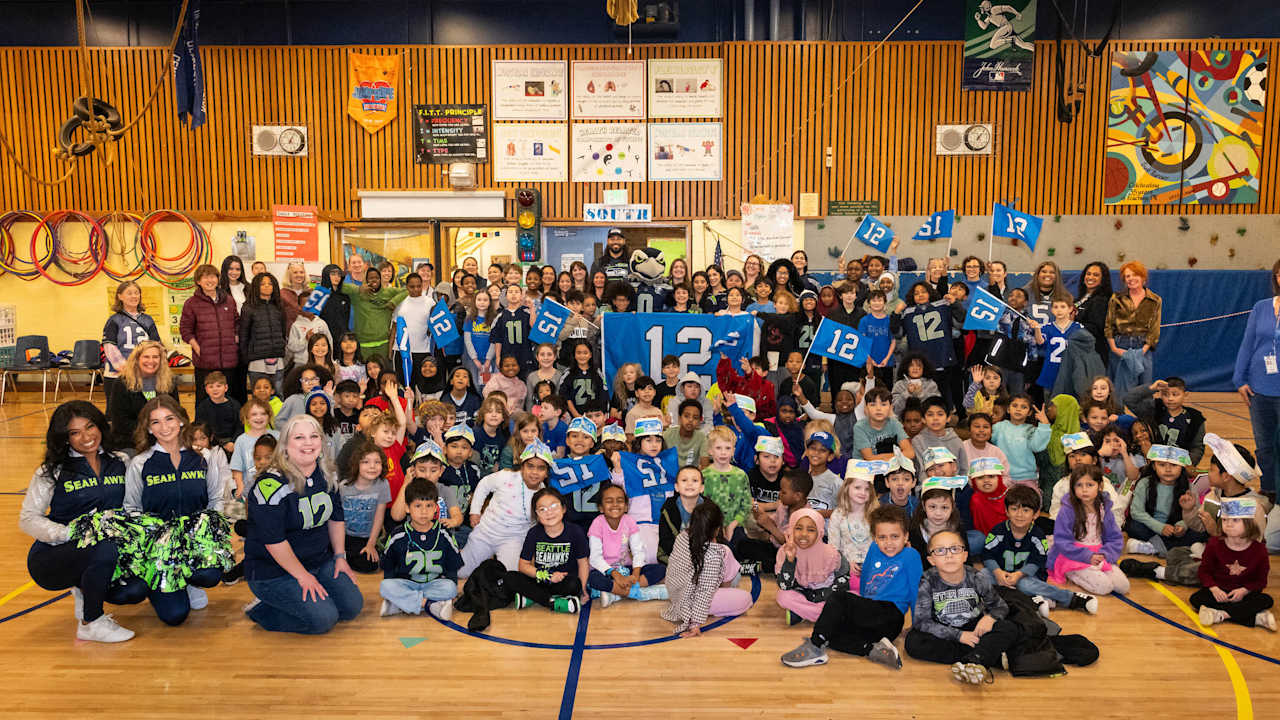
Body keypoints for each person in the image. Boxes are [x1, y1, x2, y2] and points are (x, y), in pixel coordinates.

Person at [20, 401, 148, 642]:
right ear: (65, 438)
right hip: (55, 556)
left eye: (90, 427)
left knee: (135, 590)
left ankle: (83, 587)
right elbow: (28, 519)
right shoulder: (52, 471)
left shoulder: (120, 461)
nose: (86, 437)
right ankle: (91, 622)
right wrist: (70, 533)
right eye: (75, 432)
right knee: (103, 547)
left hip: (107, 551)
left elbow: (134, 506)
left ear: (100, 426)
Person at [243, 415, 365, 634]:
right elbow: (273, 540)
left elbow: (336, 517)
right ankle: (262, 609)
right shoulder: (270, 484)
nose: (308, 443)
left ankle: (304, 598)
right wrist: (302, 576)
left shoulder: (327, 473)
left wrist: (340, 557)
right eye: (299, 437)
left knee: (352, 607)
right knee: (324, 619)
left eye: (313, 436)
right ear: (286, 445)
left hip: (317, 560)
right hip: (272, 571)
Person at [123, 396, 226, 626]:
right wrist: (156, 539)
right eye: (156, 422)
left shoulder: (203, 457)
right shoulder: (140, 463)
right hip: (160, 549)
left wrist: (208, 534)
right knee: (175, 616)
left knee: (210, 575)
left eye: (169, 418)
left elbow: (216, 498)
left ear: (181, 420)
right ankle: (157, 582)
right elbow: (131, 508)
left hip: (194, 540)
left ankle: (188, 581)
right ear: (148, 428)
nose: (165, 426)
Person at [780, 506, 921, 669]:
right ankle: (873, 650)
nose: (888, 543)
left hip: (891, 615)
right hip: (871, 617)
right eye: (882, 537)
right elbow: (866, 578)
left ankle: (814, 645)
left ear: (906, 537)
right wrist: (858, 607)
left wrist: (916, 626)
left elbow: (915, 591)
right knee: (831, 631)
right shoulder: (874, 549)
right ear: (875, 538)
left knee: (839, 598)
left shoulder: (911, 556)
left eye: (894, 537)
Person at [904, 530, 1020, 686]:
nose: (949, 555)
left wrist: (990, 617)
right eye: (940, 551)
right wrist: (958, 635)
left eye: (955, 549)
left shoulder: (977, 577)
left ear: (965, 555)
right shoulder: (926, 582)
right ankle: (985, 656)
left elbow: (1000, 606)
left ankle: (976, 658)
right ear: (931, 560)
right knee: (913, 642)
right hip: (944, 628)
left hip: (974, 626)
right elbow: (922, 622)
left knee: (1009, 627)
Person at [983, 484, 1096, 616]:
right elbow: (987, 554)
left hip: (1027, 577)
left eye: (1026, 510)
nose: (1019, 515)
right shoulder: (998, 531)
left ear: (1035, 514)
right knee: (982, 576)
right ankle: (1034, 600)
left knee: (1024, 585)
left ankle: (1071, 598)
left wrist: (1018, 575)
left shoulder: (1037, 535)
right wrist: (997, 573)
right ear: (1007, 511)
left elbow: (1037, 561)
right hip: (1002, 574)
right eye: (1014, 509)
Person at [459, 441, 553, 575]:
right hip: (486, 532)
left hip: (514, 539)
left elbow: (538, 523)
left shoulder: (543, 493)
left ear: (547, 473)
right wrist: (475, 512)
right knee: (461, 572)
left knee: (511, 578)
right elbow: (484, 484)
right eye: (530, 466)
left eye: (541, 468)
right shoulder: (506, 476)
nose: (534, 472)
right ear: (522, 466)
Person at [661, 501, 754, 636]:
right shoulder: (713, 556)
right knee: (746, 599)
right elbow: (704, 593)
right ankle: (718, 603)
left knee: (726, 552)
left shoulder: (682, 537)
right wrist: (694, 624)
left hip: (676, 595)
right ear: (717, 529)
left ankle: (723, 593)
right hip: (691, 603)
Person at [1232, 258, 1280, 503]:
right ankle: (1270, 489)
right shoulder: (1261, 307)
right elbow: (1247, 344)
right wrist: (1239, 378)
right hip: (1259, 387)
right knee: (1264, 445)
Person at [379, 479, 462, 619]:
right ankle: (429, 605)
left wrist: (452, 591)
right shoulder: (398, 535)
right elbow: (389, 568)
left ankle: (401, 604)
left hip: (434, 584)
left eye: (429, 506)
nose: (424, 511)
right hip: (407, 584)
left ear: (436, 508)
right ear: (407, 508)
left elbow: (452, 566)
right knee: (385, 586)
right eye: (418, 506)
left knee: (451, 588)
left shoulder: (444, 533)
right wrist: (392, 590)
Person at [1190, 498, 1274, 631]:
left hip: (1244, 594)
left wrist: (1244, 590)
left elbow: (1261, 580)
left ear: (1249, 523)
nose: (1228, 524)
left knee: (1267, 600)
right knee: (1196, 599)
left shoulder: (1260, 550)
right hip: (1220, 591)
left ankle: (1221, 614)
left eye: (1235, 520)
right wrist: (1214, 588)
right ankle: (1255, 618)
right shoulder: (1214, 544)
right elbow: (1204, 571)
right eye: (1224, 520)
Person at [1047, 466, 1130, 596]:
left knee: (1123, 586)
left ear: (1100, 486)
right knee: (1104, 587)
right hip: (1073, 556)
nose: (1084, 489)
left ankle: (1095, 570)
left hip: (1099, 554)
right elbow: (1062, 541)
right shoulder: (1068, 509)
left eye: (1090, 485)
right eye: (1079, 485)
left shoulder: (1103, 508)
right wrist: (1087, 556)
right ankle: (1072, 573)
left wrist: (1105, 554)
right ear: (1073, 487)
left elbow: (1114, 538)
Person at [587, 485, 668, 606]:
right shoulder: (597, 523)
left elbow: (638, 551)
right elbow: (595, 558)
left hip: (626, 569)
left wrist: (635, 574)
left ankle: (615, 594)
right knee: (594, 580)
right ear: (601, 508)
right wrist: (616, 575)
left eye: (619, 501)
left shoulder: (629, 521)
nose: (615, 504)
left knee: (660, 569)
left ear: (626, 507)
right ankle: (642, 593)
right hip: (605, 571)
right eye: (609, 501)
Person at [775, 508, 849, 625]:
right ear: (791, 529)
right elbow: (784, 585)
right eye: (798, 528)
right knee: (782, 597)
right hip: (801, 593)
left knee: (847, 598)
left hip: (826, 594)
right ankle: (826, 616)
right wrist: (790, 560)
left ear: (819, 532)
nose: (804, 534)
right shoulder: (785, 551)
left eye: (811, 530)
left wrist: (825, 594)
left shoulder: (831, 553)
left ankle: (801, 613)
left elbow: (844, 579)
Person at [181, 263, 241, 405]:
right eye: (205, 277)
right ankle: (203, 427)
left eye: (213, 277)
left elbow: (237, 322)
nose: (210, 281)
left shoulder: (229, 300)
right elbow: (185, 330)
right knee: (204, 400)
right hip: (205, 362)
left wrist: (236, 338)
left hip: (229, 360)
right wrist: (197, 348)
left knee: (229, 399)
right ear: (198, 281)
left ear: (218, 279)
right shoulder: (191, 303)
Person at [101, 281, 161, 414]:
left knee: (147, 409)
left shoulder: (148, 320)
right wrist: (126, 368)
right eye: (129, 293)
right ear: (120, 296)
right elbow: (109, 346)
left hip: (145, 374)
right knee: (117, 412)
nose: (134, 296)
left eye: (136, 293)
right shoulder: (114, 320)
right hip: (117, 375)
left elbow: (157, 345)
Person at [107, 341, 180, 450]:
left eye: (155, 357)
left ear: (161, 360)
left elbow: (176, 413)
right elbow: (120, 423)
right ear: (137, 359)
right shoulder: (122, 384)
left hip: (164, 438)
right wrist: (153, 429)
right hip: (131, 441)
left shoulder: (170, 382)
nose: (151, 361)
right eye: (146, 357)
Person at [1106, 261, 1162, 397]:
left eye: (1134, 275)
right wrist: (1114, 348)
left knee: (1145, 388)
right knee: (1118, 389)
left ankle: (1144, 418)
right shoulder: (1116, 298)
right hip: (1120, 345)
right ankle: (1117, 417)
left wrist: (1143, 350)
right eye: (1127, 276)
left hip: (1143, 347)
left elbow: (1154, 329)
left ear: (1143, 277)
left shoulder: (1155, 300)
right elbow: (1109, 325)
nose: (1131, 279)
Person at [341, 266, 408, 359]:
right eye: (371, 278)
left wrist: (394, 302)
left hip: (383, 343)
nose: (374, 280)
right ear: (366, 279)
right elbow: (341, 286)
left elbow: (407, 290)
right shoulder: (357, 295)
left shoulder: (388, 292)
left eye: (377, 278)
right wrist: (358, 289)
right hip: (363, 344)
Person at [240, 272, 288, 391]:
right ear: (256, 286)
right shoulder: (248, 307)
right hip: (257, 360)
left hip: (277, 358)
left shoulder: (279, 306)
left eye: (270, 283)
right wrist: (246, 358)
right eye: (262, 284)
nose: (267, 286)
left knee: (278, 394)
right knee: (259, 395)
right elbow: (244, 335)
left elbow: (283, 331)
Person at [1074, 261, 1114, 370]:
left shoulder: (1102, 300)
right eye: (1088, 274)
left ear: (1103, 280)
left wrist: (1071, 324)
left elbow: (1096, 328)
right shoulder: (1080, 299)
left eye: (1096, 275)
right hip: (1078, 351)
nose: (1090, 277)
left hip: (1094, 353)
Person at [317, 264, 352, 358]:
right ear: (326, 275)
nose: (337, 277)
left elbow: (346, 319)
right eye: (333, 274)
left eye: (339, 274)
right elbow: (311, 318)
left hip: (341, 339)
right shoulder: (318, 295)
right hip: (324, 340)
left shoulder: (345, 296)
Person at [279, 261, 311, 329]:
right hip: (290, 334)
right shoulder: (282, 294)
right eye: (295, 272)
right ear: (289, 275)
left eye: (301, 272)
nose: (299, 275)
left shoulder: (310, 292)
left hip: (310, 333)